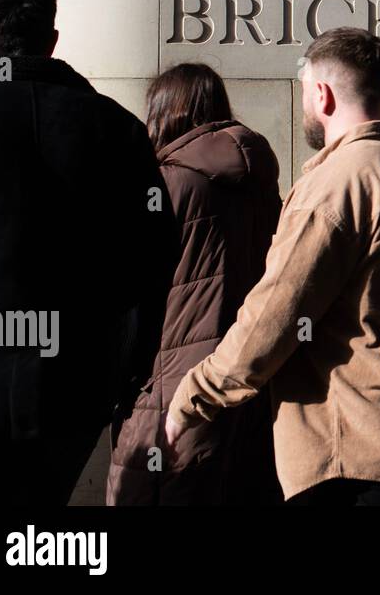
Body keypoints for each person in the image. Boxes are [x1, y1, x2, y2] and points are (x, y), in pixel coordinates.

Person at [164, 27, 380, 506]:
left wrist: (192, 398)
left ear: (321, 94)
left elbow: (273, 315)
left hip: (350, 447)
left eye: (304, 91)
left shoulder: (333, 186)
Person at [0, 0, 176, 505]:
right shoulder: (117, 130)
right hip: (70, 394)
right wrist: (123, 378)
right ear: (52, 40)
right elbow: (151, 267)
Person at [107, 63, 284, 505]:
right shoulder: (263, 184)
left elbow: (126, 289)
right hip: (247, 386)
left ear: (165, 113)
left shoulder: (167, 184)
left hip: (170, 390)